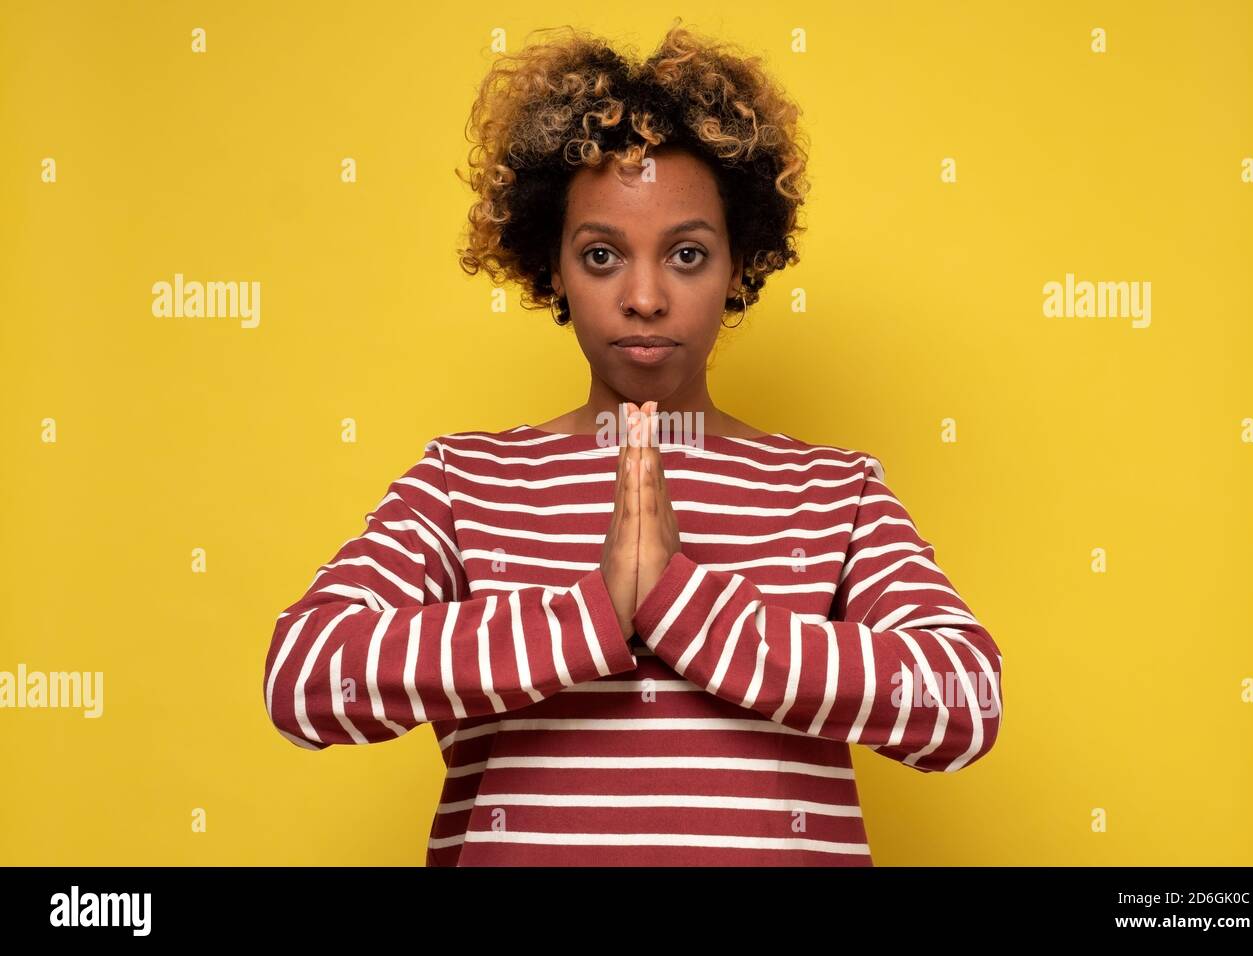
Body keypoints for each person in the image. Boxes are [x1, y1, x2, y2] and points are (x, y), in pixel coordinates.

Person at [262, 20, 1002, 866]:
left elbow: (964, 699)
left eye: (686, 254)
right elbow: (302, 677)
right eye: (603, 255)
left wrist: (684, 604)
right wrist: (594, 613)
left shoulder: (832, 491)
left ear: (738, 266)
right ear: (554, 269)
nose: (645, 297)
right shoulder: (464, 482)